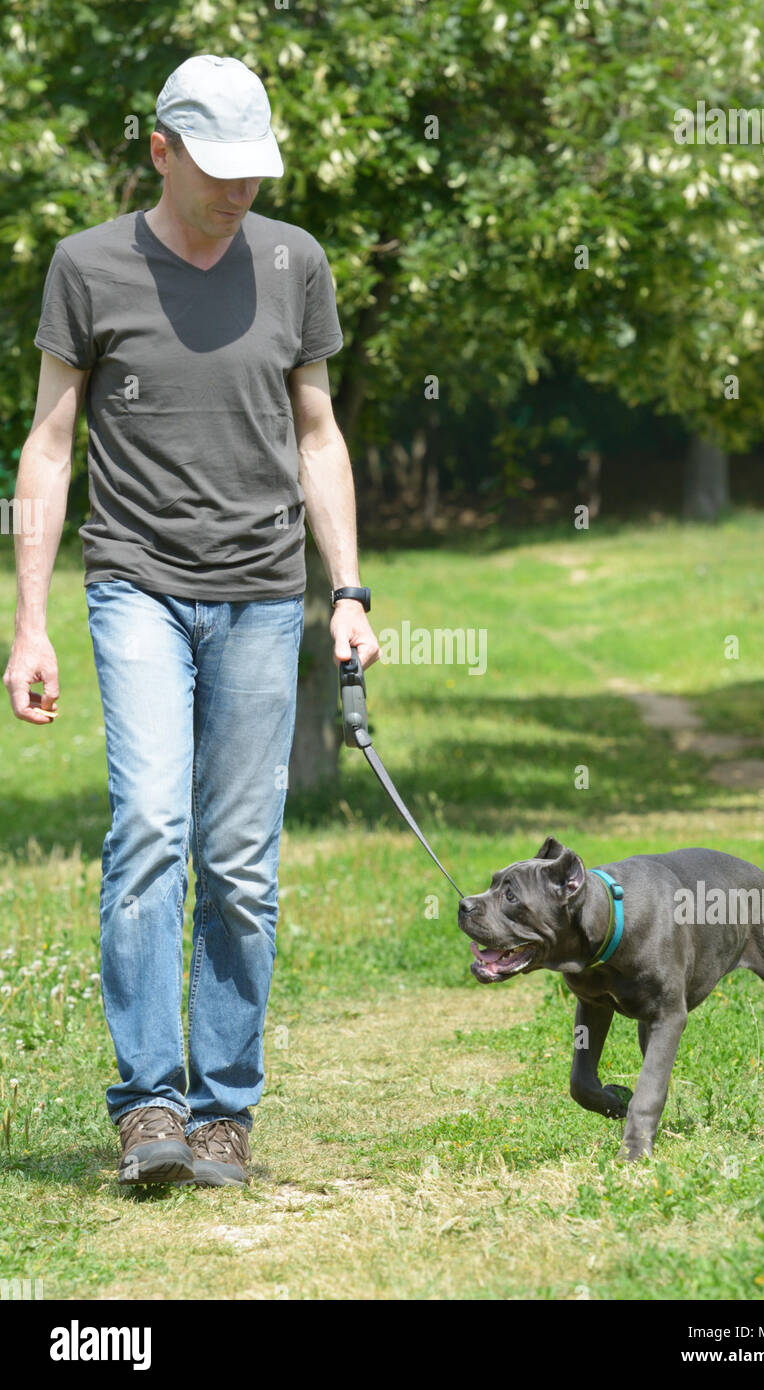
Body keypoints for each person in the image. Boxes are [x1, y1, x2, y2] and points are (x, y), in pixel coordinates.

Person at [3, 54, 380, 1187]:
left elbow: (317, 436)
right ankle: (148, 1108)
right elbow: (50, 446)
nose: (240, 192)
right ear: (160, 149)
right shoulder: (88, 268)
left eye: (255, 170)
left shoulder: (292, 262)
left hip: (265, 592)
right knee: (151, 828)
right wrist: (29, 624)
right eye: (218, 169)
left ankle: (223, 1114)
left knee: (240, 860)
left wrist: (348, 589)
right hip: (136, 584)